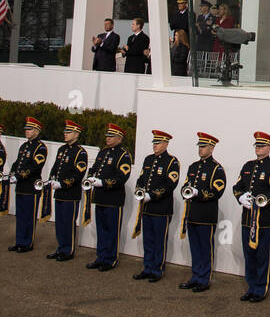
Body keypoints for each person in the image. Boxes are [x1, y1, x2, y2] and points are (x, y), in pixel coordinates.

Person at [233, 131, 270, 302]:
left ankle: (261, 289)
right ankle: (251, 287)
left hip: (264, 220)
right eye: (257, 145)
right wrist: (240, 197)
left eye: (261, 146)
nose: (258, 148)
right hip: (248, 218)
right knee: (249, 254)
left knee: (262, 255)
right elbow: (237, 186)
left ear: (269, 148)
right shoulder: (248, 166)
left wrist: (263, 201)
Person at [179, 133, 227, 293]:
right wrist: (186, 191)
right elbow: (185, 185)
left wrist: (198, 193)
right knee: (195, 248)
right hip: (192, 214)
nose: (200, 149)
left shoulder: (216, 168)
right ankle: (195, 277)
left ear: (212, 148)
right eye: (199, 146)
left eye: (204, 146)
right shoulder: (193, 167)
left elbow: (217, 190)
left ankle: (204, 279)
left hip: (206, 215)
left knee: (205, 249)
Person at [132, 130, 180, 283]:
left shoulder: (172, 162)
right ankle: (147, 267)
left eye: (158, 143)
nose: (155, 145)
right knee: (148, 240)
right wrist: (139, 190)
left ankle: (157, 269)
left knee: (159, 240)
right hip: (147, 207)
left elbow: (170, 184)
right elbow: (141, 178)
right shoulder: (148, 160)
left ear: (166, 144)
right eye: (154, 142)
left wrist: (151, 195)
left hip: (161, 207)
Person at [83, 123, 132, 271]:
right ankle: (101, 256)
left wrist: (103, 183)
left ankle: (110, 259)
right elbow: (94, 168)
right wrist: (91, 177)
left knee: (111, 230)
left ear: (119, 138)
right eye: (107, 136)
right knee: (101, 229)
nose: (108, 138)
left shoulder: (123, 155)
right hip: (100, 197)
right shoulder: (103, 153)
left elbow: (122, 176)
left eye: (111, 136)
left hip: (113, 198)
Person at [45, 119, 88, 261]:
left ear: (76, 134)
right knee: (59, 222)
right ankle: (60, 247)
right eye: (65, 131)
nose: (65, 134)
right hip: (59, 192)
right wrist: (52, 178)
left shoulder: (80, 152)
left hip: (70, 193)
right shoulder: (62, 150)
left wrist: (63, 184)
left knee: (68, 223)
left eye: (68, 132)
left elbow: (78, 174)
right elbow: (56, 167)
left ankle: (68, 250)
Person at [8, 116, 48, 253]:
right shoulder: (24, 146)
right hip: (20, 185)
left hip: (30, 186)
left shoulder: (40, 147)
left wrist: (19, 176)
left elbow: (35, 167)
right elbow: (17, 162)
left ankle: (27, 243)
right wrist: (12, 172)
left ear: (37, 131)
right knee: (20, 216)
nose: (27, 131)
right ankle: (19, 241)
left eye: (29, 129)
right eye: (26, 129)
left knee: (28, 216)